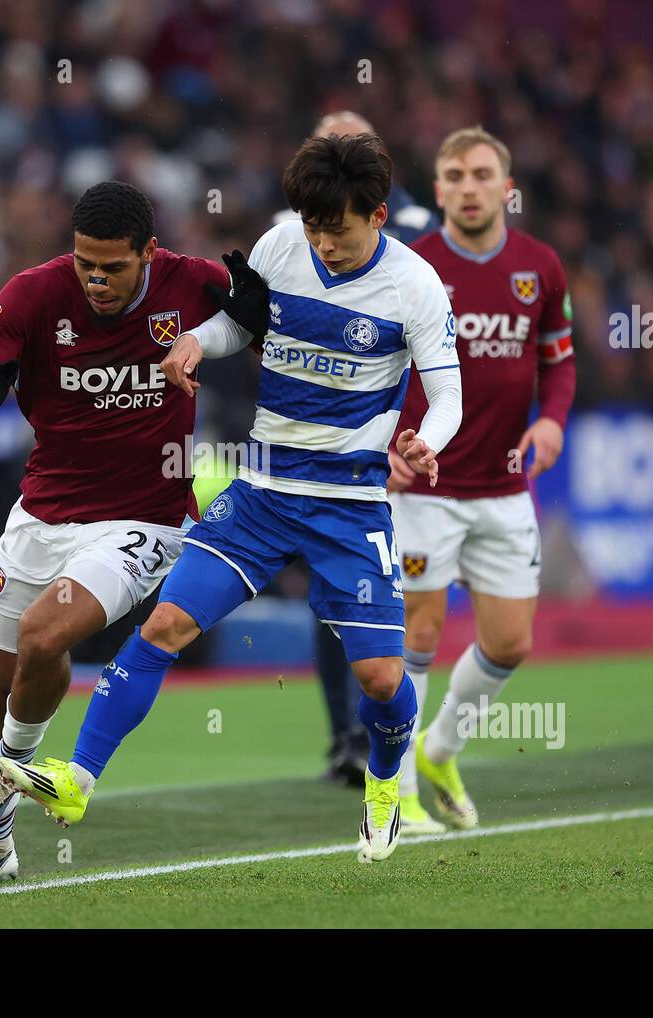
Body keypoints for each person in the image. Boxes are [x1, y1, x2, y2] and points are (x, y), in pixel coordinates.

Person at [0, 131, 463, 863]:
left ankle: (385, 779)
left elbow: (448, 393)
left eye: (334, 228)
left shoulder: (416, 286)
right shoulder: (279, 250)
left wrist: (428, 439)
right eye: (310, 225)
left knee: (379, 676)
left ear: (375, 215)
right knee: (164, 626)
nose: (321, 243)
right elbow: (240, 323)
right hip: (262, 493)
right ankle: (79, 777)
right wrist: (194, 344)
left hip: (349, 503)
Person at [0, 181, 228, 885]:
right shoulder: (33, 294)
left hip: (143, 519)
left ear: (149, 252)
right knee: (1, 675)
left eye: (113, 267)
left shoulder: (193, 283)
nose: (95, 279)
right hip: (40, 515)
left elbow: (264, 318)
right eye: (84, 262)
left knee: (43, 634)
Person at [394, 127, 576, 830]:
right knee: (420, 630)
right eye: (454, 176)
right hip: (424, 486)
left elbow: (558, 359)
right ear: (437, 191)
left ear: (507, 187)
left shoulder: (540, 268)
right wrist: (390, 446)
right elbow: (380, 370)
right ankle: (400, 790)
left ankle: (442, 748)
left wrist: (553, 419)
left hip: (503, 487)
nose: (468, 187)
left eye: (480, 174)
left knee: (509, 643)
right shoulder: (411, 267)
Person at [273, 110, 439, 789]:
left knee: (407, 601)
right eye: (323, 141)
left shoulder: (424, 233)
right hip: (334, 451)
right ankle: (346, 737)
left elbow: (439, 349)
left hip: (410, 447)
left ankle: (397, 741)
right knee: (330, 595)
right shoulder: (298, 232)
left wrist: (416, 439)